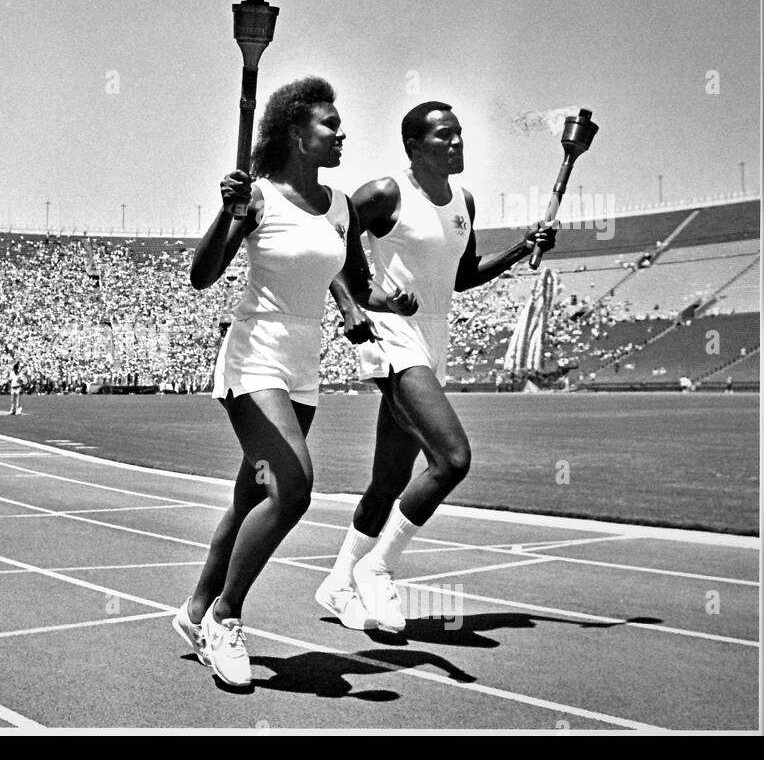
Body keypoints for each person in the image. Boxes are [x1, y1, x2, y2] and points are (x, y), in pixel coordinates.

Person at [173, 76, 406, 687]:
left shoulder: (340, 207)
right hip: (255, 357)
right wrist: (229, 212)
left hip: (305, 366)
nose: (342, 133)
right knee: (295, 488)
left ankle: (194, 607)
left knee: (253, 496)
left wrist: (393, 301)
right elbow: (203, 276)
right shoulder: (259, 198)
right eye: (330, 125)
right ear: (296, 134)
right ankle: (225, 618)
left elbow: (357, 284)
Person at [317, 101, 557, 634]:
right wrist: (356, 304)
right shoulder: (385, 193)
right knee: (451, 458)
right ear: (413, 147)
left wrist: (522, 248)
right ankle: (378, 568)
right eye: (443, 135)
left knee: (387, 482)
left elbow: (464, 274)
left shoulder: (463, 201)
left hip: (433, 340)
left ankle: (337, 582)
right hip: (391, 337)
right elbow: (328, 240)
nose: (457, 143)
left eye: (460, 134)